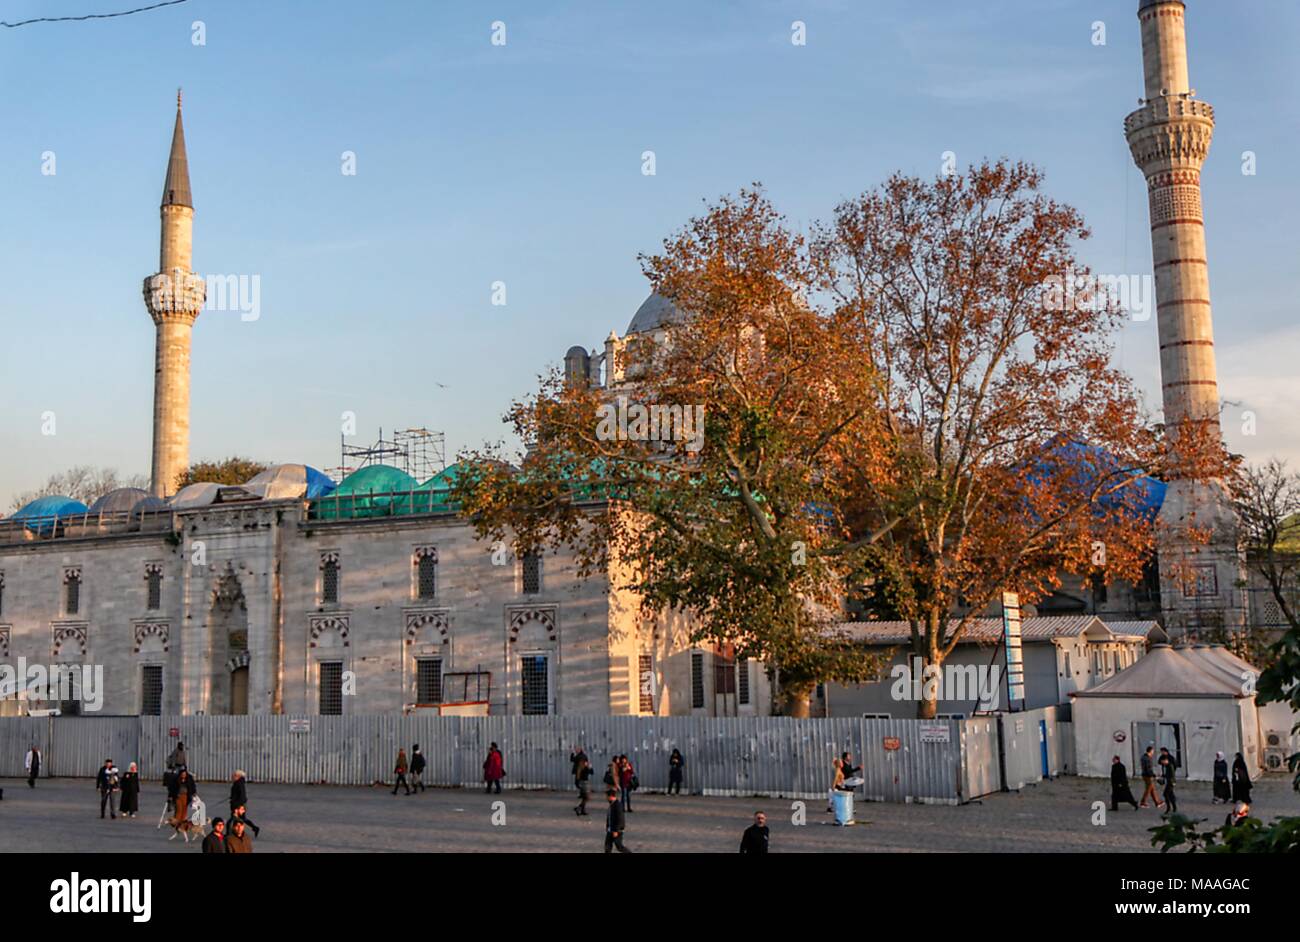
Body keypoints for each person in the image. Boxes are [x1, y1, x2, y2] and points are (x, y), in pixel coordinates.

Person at [229, 770, 260, 836]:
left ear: (238, 776)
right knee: (243, 819)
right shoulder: (239, 783)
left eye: (233, 775)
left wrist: (238, 807)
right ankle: (255, 828)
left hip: (238, 806)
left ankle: (230, 834)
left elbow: (242, 796)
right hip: (239, 805)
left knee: (232, 821)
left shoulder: (238, 784)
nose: (232, 777)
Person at [169, 769, 198, 838]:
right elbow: (172, 788)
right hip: (178, 796)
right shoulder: (176, 780)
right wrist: (170, 796)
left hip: (186, 796)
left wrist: (194, 793)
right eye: (182, 774)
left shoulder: (189, 779)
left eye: (185, 774)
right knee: (179, 809)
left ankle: (182, 823)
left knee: (184, 809)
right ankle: (176, 822)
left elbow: (192, 787)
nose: (183, 775)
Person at [604, 789, 630, 853]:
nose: (606, 798)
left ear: (611, 796)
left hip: (617, 830)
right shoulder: (612, 804)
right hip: (610, 829)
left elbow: (620, 819)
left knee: (619, 846)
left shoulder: (617, 805)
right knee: (607, 846)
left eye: (607, 796)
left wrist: (616, 830)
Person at [1158, 747, 1178, 814]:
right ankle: (1174, 808)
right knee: (1170, 794)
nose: (1162, 753)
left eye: (1163, 752)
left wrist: (1173, 782)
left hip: (1171, 781)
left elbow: (1172, 772)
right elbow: (1159, 761)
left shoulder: (1170, 761)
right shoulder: (1163, 758)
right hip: (1168, 780)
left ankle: (1169, 808)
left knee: (1166, 794)